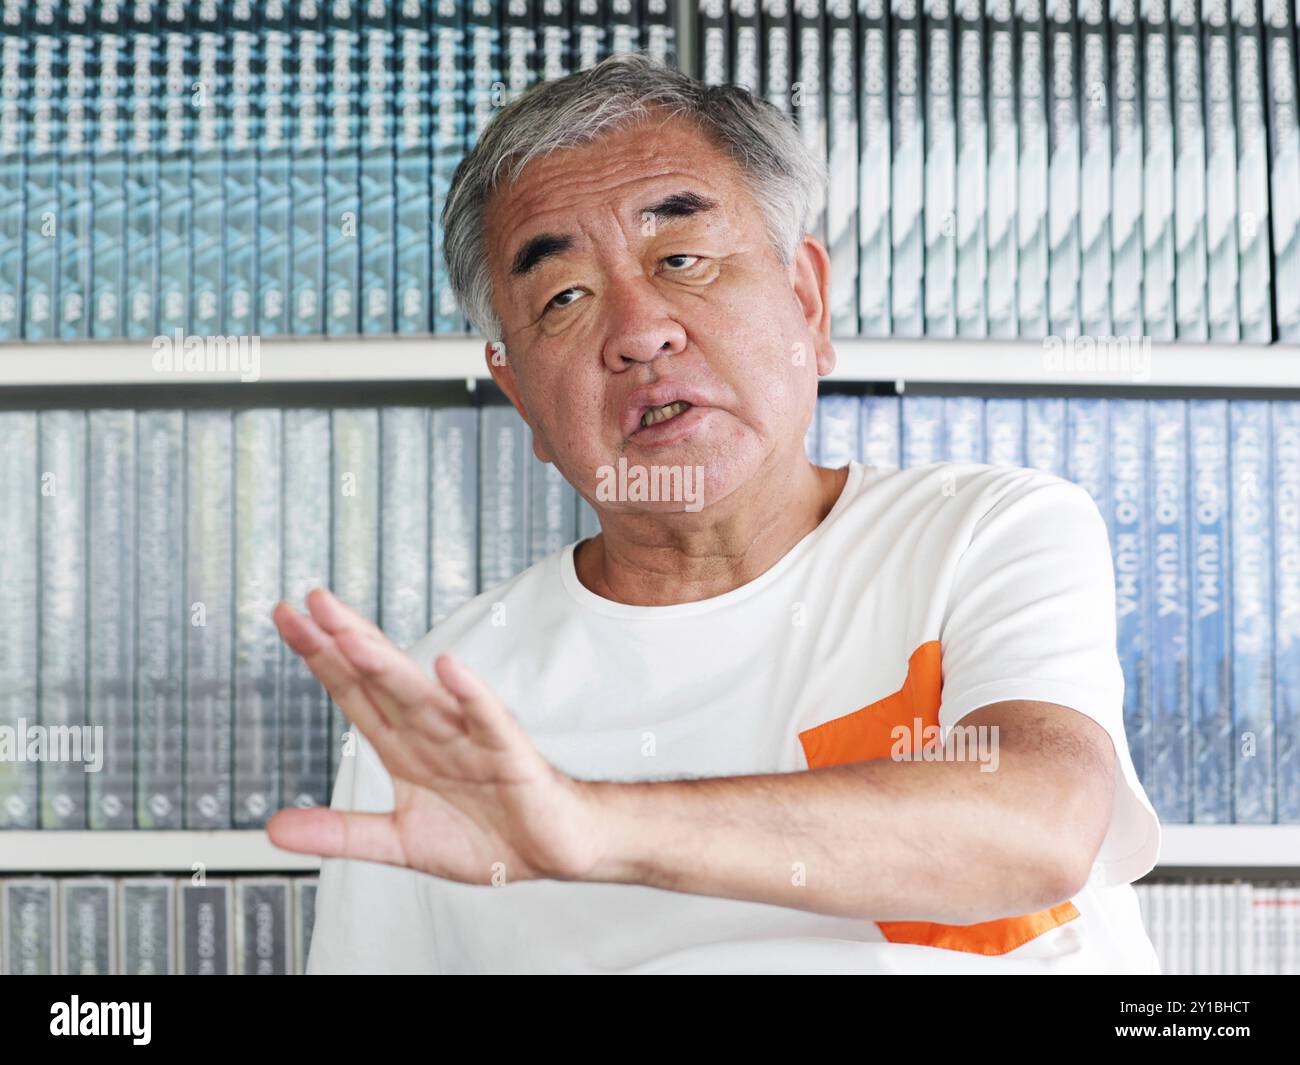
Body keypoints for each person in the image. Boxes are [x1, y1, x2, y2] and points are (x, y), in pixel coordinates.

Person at [269, 53, 1160, 974]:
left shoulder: (983, 532)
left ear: (807, 303)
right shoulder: (439, 713)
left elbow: (1040, 826)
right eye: (564, 296)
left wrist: (590, 827)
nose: (640, 331)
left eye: (682, 258)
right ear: (521, 396)